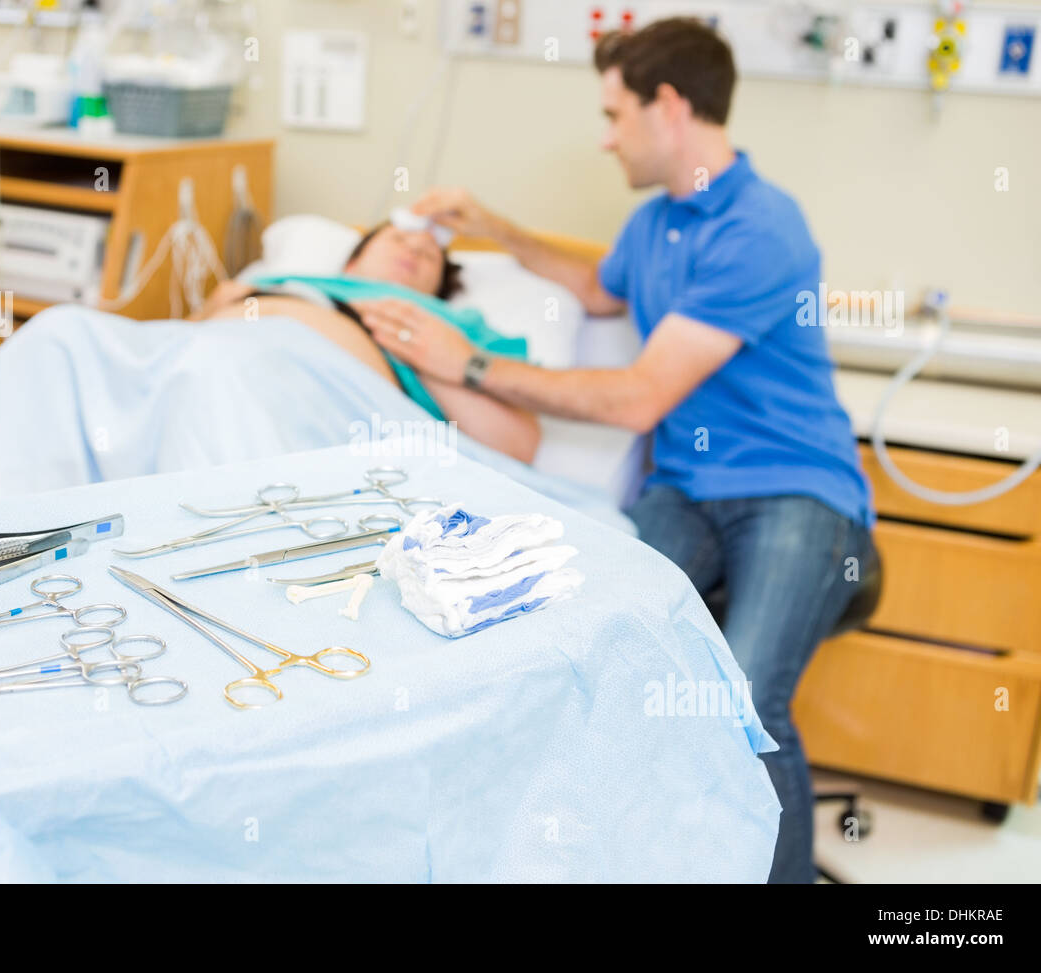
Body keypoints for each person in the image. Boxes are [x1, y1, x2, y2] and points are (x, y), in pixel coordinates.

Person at [353, 17, 877, 884]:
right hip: (684, 488)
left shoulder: (761, 228)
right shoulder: (658, 223)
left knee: (740, 695)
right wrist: (496, 226)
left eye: (613, 114)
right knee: (577, 632)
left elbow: (638, 396)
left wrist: (472, 365)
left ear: (667, 107)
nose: (604, 138)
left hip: (795, 490)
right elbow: (599, 287)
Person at [195, 220, 540, 463]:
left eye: (430, 255)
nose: (415, 248)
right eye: (398, 239)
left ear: (439, 288)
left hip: (315, 394)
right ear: (353, 262)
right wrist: (216, 305)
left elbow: (516, 444)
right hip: (210, 349)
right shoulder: (279, 280)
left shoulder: (456, 326)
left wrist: (427, 354)